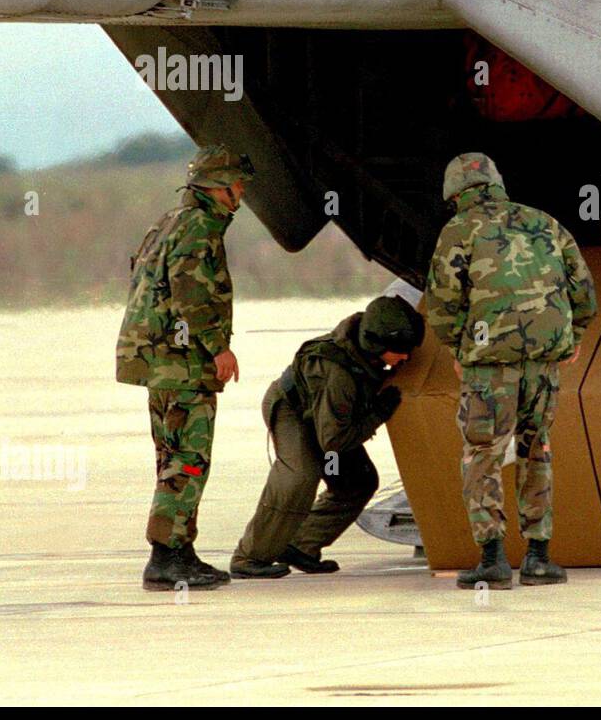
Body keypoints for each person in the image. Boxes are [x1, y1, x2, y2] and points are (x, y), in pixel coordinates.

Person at [426, 153, 597, 589]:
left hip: (489, 368)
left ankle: (493, 560)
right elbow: (584, 291)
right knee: (535, 448)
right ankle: (539, 558)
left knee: (482, 454)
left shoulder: (458, 231)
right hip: (543, 363)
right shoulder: (545, 223)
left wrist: (458, 347)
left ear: (456, 193)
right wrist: (572, 337)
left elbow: (443, 303)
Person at [116, 144, 254, 591]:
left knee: (171, 457)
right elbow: (189, 294)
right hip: (182, 367)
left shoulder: (169, 222)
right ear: (218, 187)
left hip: (158, 364)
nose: (242, 191)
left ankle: (178, 550)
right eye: (237, 183)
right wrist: (218, 348)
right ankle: (167, 557)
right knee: (188, 460)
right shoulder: (199, 227)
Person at [229, 296, 424, 579]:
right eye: (399, 351)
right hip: (293, 412)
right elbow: (333, 443)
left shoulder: (366, 349)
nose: (405, 358)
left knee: (358, 481)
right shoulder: (337, 374)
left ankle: (301, 546)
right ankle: (249, 557)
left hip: (327, 418)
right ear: (376, 345)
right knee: (300, 475)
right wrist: (378, 414)